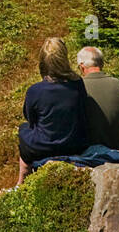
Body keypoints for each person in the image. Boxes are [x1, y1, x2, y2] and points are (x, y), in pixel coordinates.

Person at [16, 37, 90, 185]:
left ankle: (22, 181)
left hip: (44, 146)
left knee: (23, 129)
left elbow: (30, 118)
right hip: (75, 143)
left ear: (43, 62)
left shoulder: (35, 91)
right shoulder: (77, 84)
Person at [76, 46, 119, 149]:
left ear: (82, 67)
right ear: (102, 64)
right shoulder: (118, 84)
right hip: (116, 147)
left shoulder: (77, 87)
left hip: (87, 150)